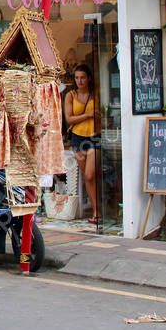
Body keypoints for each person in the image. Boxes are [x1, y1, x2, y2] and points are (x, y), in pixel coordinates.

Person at [64, 64, 100, 225]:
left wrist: (95, 115)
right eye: (77, 77)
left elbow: (101, 113)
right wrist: (88, 115)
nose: (80, 81)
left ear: (89, 78)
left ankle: (97, 209)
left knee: (90, 175)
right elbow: (69, 119)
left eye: (83, 77)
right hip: (78, 137)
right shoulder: (70, 95)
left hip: (94, 136)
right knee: (88, 178)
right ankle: (96, 211)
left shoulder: (95, 95)